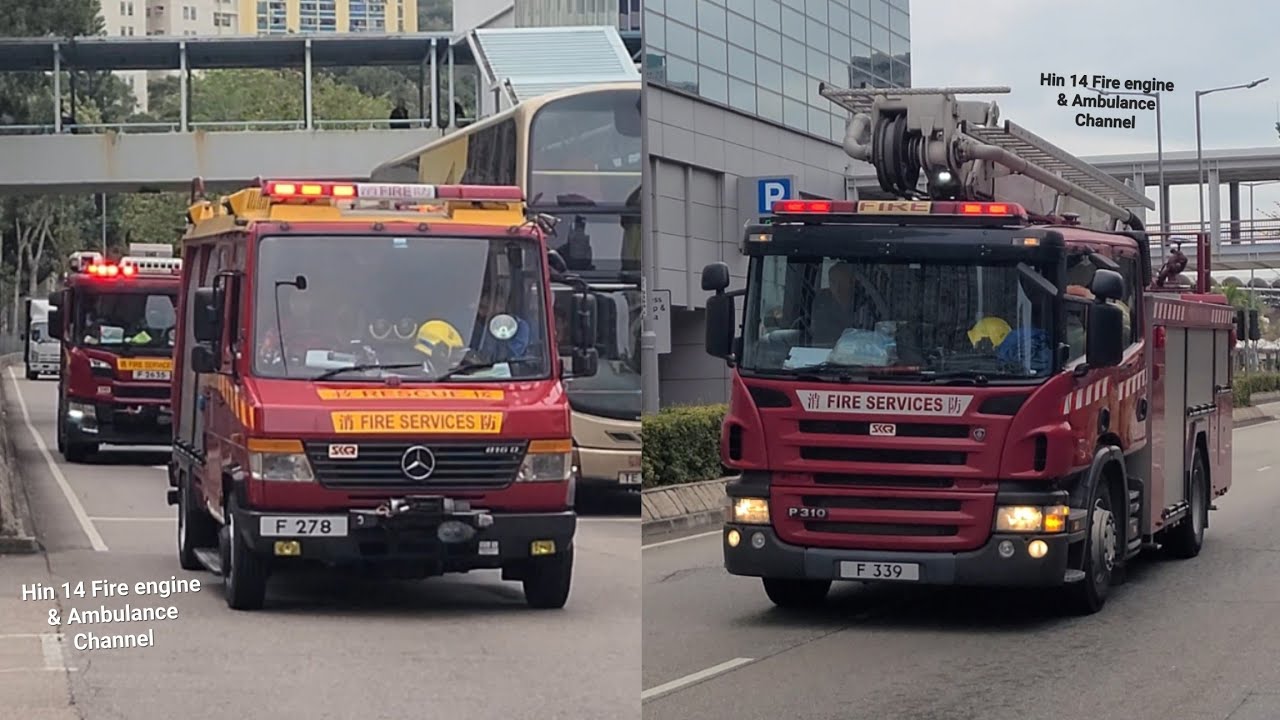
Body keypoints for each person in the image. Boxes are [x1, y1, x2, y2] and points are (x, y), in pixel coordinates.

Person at [811, 261, 885, 343]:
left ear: (851, 282)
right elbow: (818, 338)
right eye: (833, 282)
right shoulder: (822, 306)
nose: (837, 288)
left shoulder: (867, 307)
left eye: (842, 282)